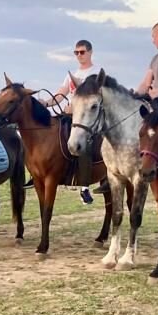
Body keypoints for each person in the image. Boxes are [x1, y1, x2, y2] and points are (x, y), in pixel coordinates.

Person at [53, 39, 100, 205]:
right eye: (76, 52)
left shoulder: (96, 73)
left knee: (85, 145)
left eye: (82, 52)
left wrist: (75, 109)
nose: (79, 55)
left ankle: (85, 186)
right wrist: (47, 102)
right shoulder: (71, 75)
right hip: (70, 116)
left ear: (90, 52)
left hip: (88, 118)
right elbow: (61, 93)